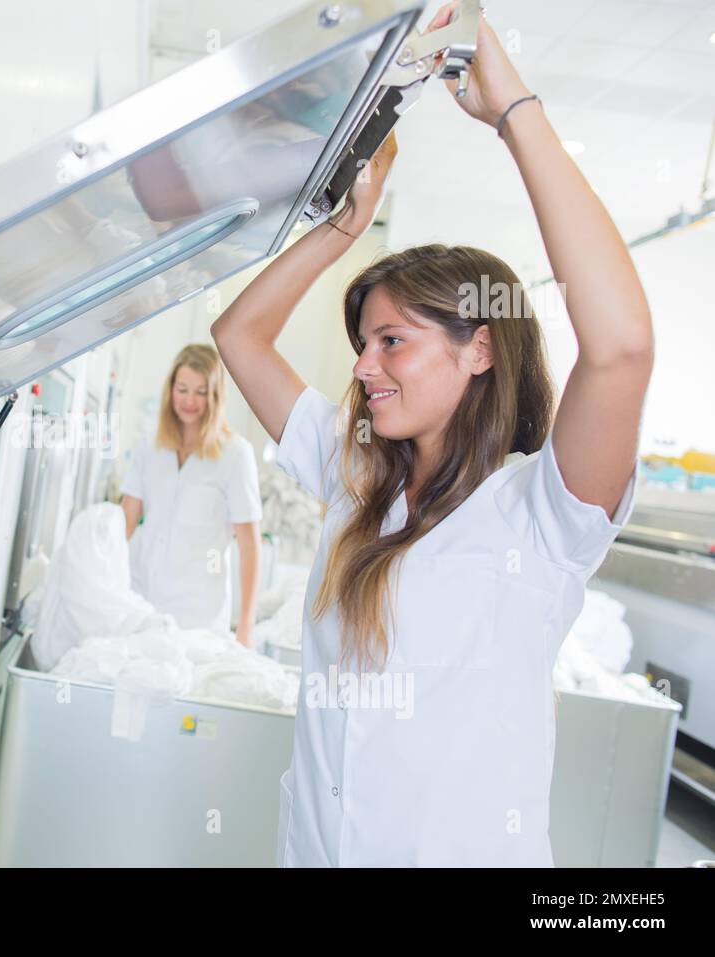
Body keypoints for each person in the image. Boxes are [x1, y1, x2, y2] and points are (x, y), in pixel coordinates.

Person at [211, 2, 651, 867]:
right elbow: (239, 337)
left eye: (393, 341)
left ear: (480, 347)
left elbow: (623, 346)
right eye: (363, 342)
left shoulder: (543, 514)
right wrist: (343, 224)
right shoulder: (357, 479)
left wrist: (514, 112)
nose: (365, 367)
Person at [119, 344, 263, 645]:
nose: (189, 401)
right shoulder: (150, 446)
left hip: (199, 619)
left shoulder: (235, 455)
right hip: (141, 601)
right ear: (170, 389)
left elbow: (249, 545)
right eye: (182, 389)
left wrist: (246, 625)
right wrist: (105, 581)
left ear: (215, 396)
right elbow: (125, 523)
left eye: (200, 392)